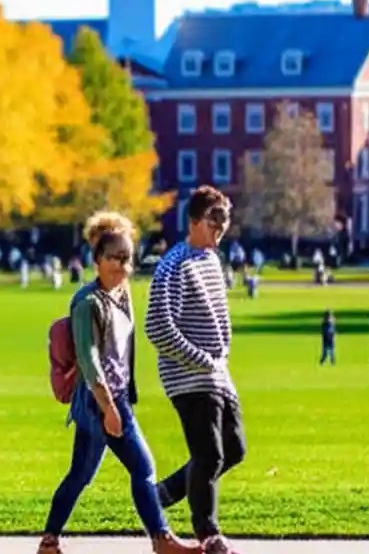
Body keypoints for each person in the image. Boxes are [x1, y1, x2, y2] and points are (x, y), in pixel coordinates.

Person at [39, 214, 201, 554]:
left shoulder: (121, 295)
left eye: (127, 258)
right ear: (97, 260)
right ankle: (162, 540)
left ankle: (49, 541)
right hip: (101, 402)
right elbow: (89, 359)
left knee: (80, 476)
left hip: (106, 401)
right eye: (113, 257)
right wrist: (110, 409)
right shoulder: (88, 303)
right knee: (143, 468)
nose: (121, 265)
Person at [145, 186, 246, 554]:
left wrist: (220, 361)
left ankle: (164, 493)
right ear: (193, 222)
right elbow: (157, 327)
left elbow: (218, 322)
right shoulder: (175, 264)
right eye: (213, 220)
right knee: (210, 456)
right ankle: (208, 534)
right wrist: (200, 359)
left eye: (225, 219)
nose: (220, 227)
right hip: (188, 377)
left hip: (217, 373)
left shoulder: (211, 262)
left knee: (234, 450)